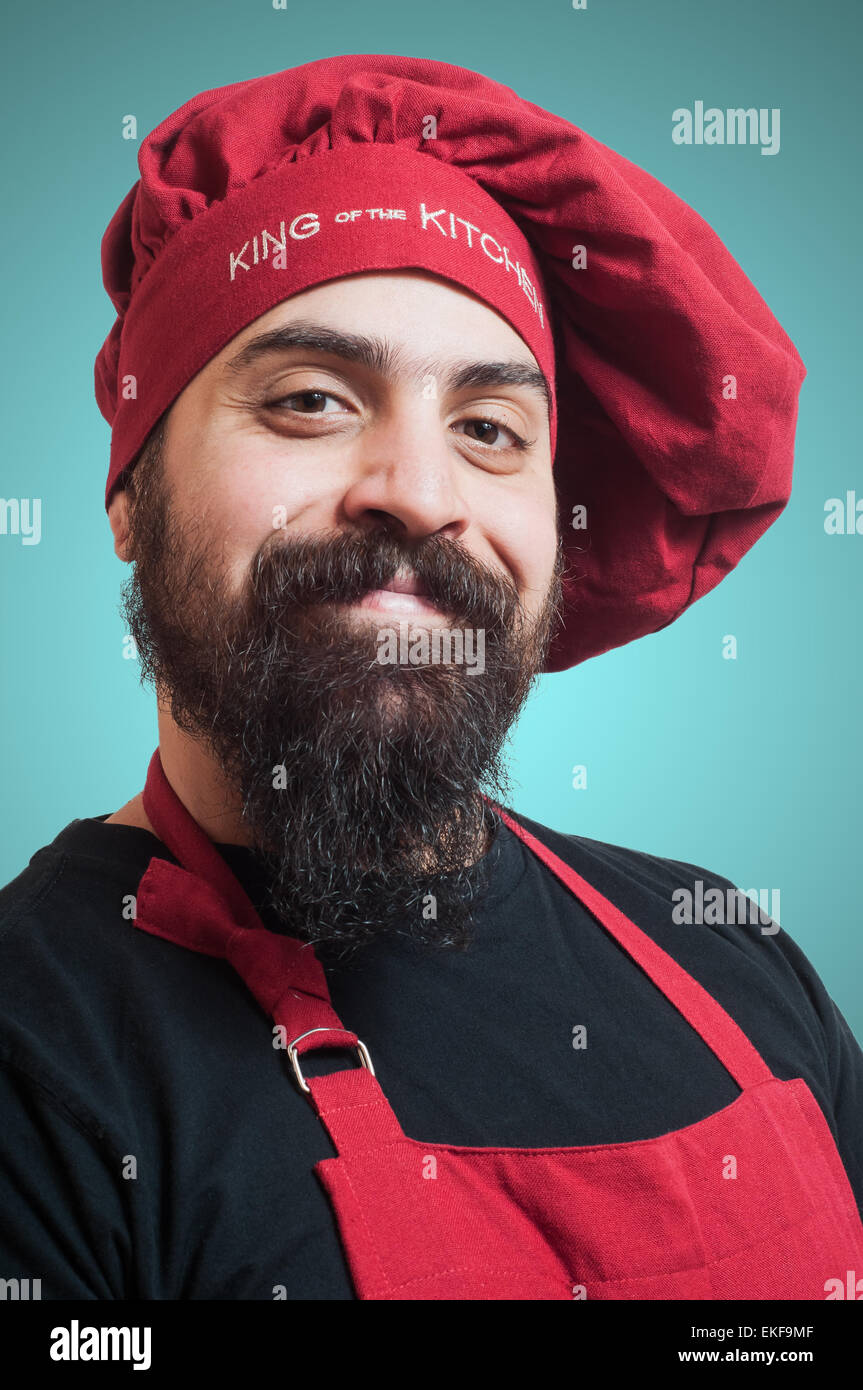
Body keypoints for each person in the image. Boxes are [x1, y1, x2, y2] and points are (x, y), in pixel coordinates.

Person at [1, 53, 861, 1302]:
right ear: (132, 496)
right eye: (309, 398)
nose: (417, 491)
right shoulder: (38, 1053)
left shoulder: (732, 961)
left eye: (489, 429)